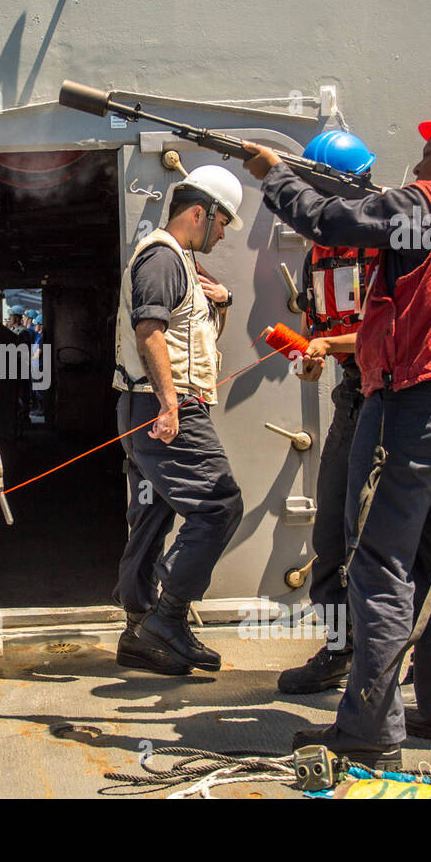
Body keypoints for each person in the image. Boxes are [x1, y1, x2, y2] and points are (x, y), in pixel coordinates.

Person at [243, 95, 431, 769]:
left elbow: (327, 216)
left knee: (379, 566)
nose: (420, 156)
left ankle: (369, 731)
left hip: (408, 405)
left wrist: (271, 174)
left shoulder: (427, 204)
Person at [113, 165, 245, 675]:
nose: (223, 232)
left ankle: (138, 630)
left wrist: (224, 300)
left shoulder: (180, 262)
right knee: (219, 507)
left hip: (146, 407)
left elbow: (196, 333)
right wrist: (170, 405)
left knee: (151, 515)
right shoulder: (164, 258)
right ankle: (167, 619)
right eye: (222, 222)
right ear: (199, 212)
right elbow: (150, 331)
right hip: (165, 408)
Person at [275, 130, 380, 695]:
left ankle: (391, 655)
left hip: (392, 400)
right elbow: (327, 325)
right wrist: (314, 354)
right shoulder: (320, 250)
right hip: (351, 395)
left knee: (380, 534)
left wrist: (331, 346)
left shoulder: (389, 241)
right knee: (332, 532)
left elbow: (391, 332)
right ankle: (339, 647)